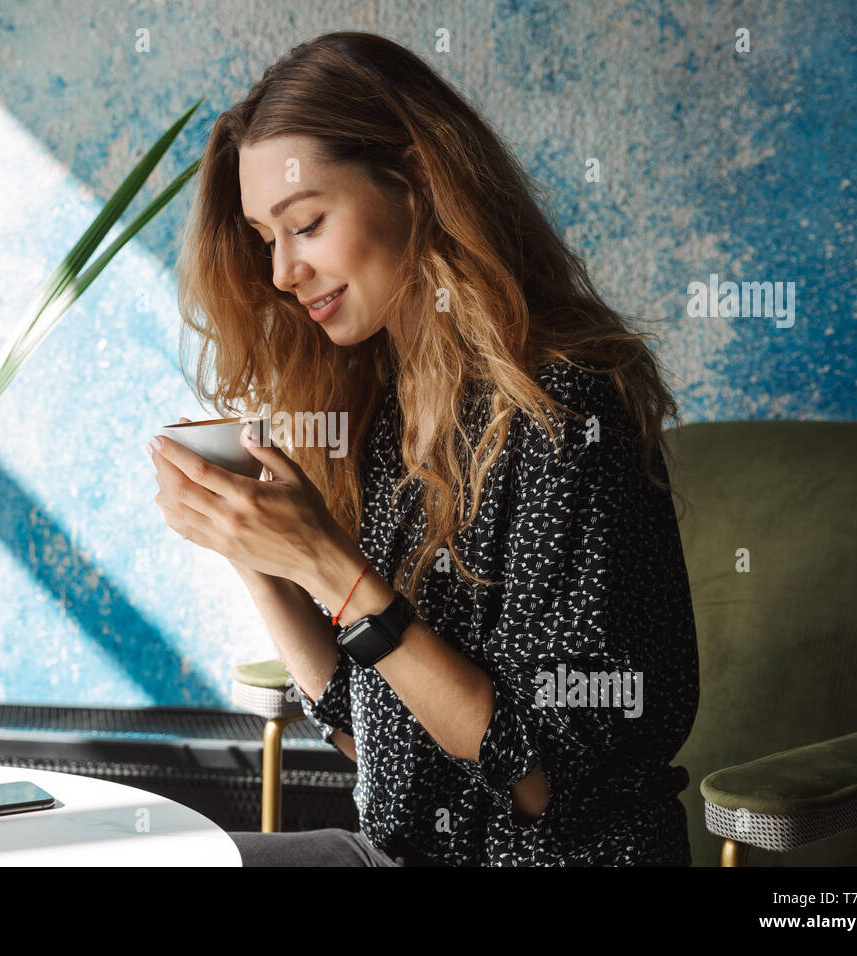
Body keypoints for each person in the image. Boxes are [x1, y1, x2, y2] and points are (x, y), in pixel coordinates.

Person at [148, 31, 699, 866]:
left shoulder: (567, 411)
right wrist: (257, 552)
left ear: (414, 178)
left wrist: (332, 568)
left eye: (305, 224)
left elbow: (540, 782)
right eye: (266, 238)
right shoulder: (383, 407)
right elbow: (381, 748)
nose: (282, 272)